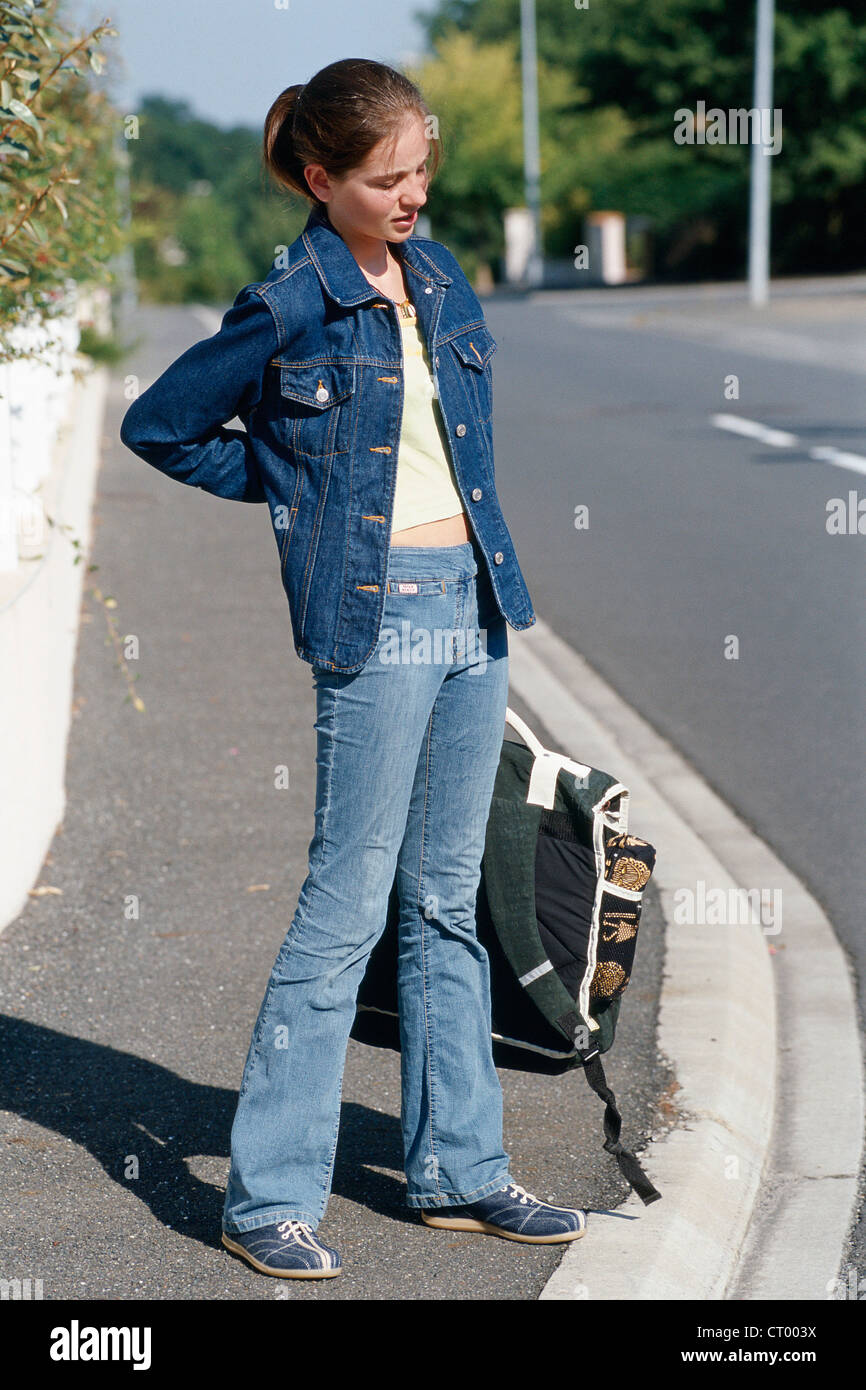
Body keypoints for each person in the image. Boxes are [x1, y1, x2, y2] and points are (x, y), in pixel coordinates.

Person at [120, 57, 587, 1281]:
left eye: (422, 170)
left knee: (447, 904)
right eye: (387, 179)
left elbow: (461, 453)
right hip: (375, 621)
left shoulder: (435, 278)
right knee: (343, 909)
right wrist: (299, 495)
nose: (412, 196)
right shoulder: (289, 304)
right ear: (320, 179)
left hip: (472, 607)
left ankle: (461, 1173)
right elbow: (160, 427)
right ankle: (264, 1196)